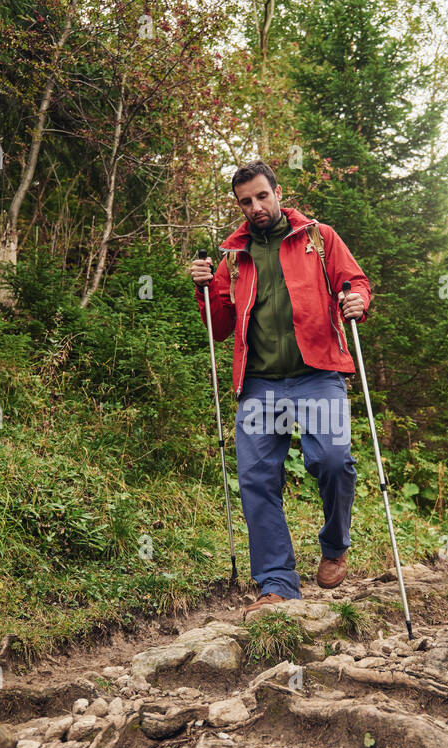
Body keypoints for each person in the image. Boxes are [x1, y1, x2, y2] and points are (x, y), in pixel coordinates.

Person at [189, 161, 372, 614]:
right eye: (245, 201)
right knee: (256, 479)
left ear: (277, 192)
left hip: (319, 373)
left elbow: (356, 283)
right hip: (259, 383)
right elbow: (220, 329)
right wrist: (203, 289)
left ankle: (334, 544)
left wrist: (357, 301)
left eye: (261, 196)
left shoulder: (318, 237)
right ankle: (277, 582)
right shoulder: (233, 256)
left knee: (332, 460)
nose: (255, 207)